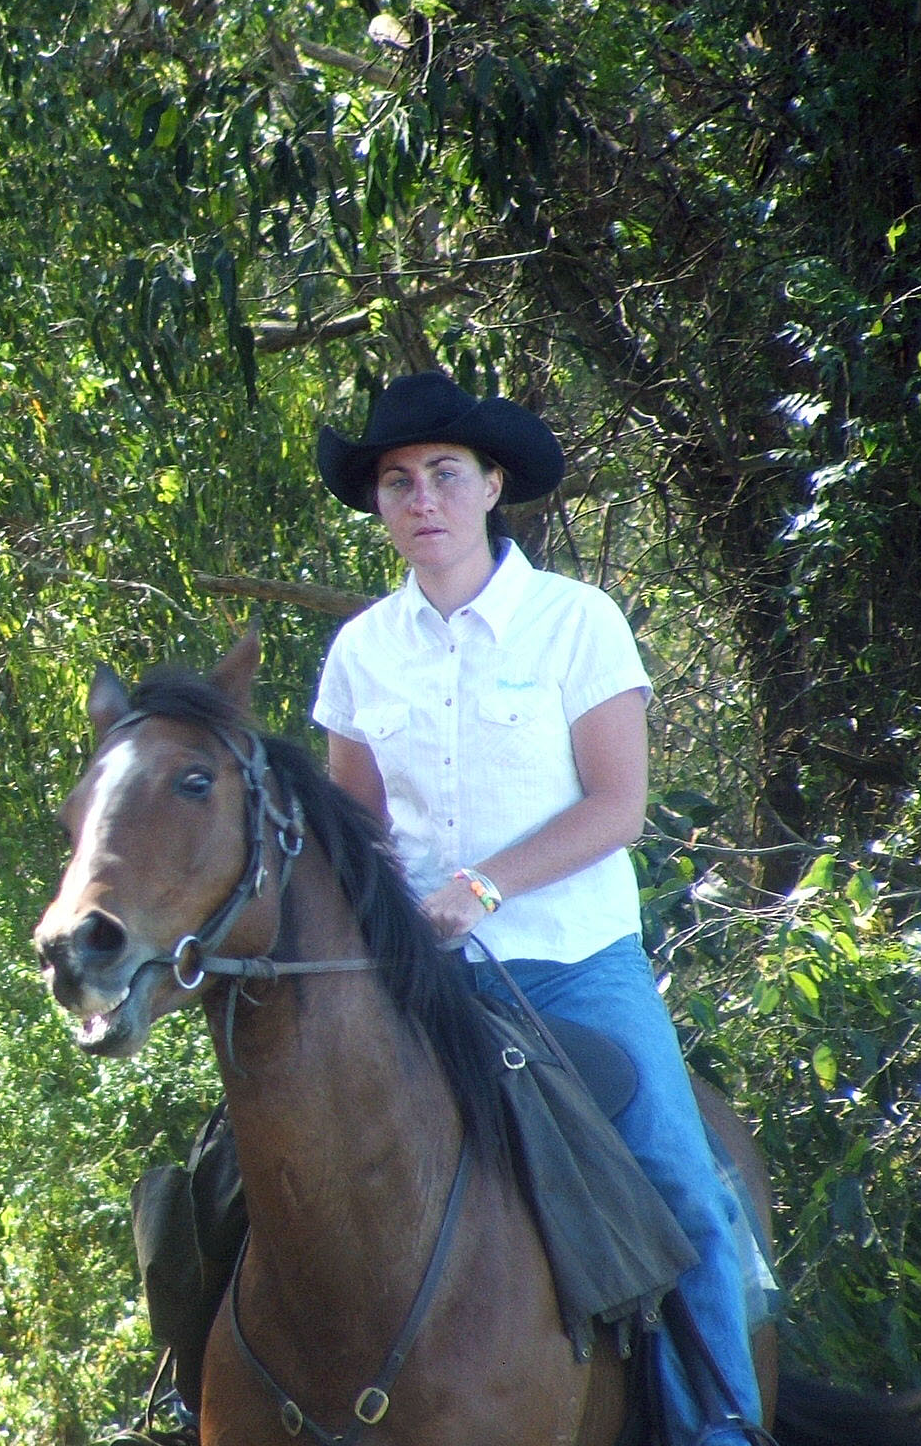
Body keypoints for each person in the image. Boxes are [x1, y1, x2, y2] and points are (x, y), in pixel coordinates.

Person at [309, 370, 763, 1446]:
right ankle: (206, 1400)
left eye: (442, 476)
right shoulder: (362, 650)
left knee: (680, 1187)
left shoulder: (575, 622)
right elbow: (351, 832)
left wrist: (481, 885)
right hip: (418, 981)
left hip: (571, 961)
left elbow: (617, 804)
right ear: (378, 506)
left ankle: (722, 1428)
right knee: (242, 1163)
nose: (420, 498)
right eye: (396, 482)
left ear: (489, 484)